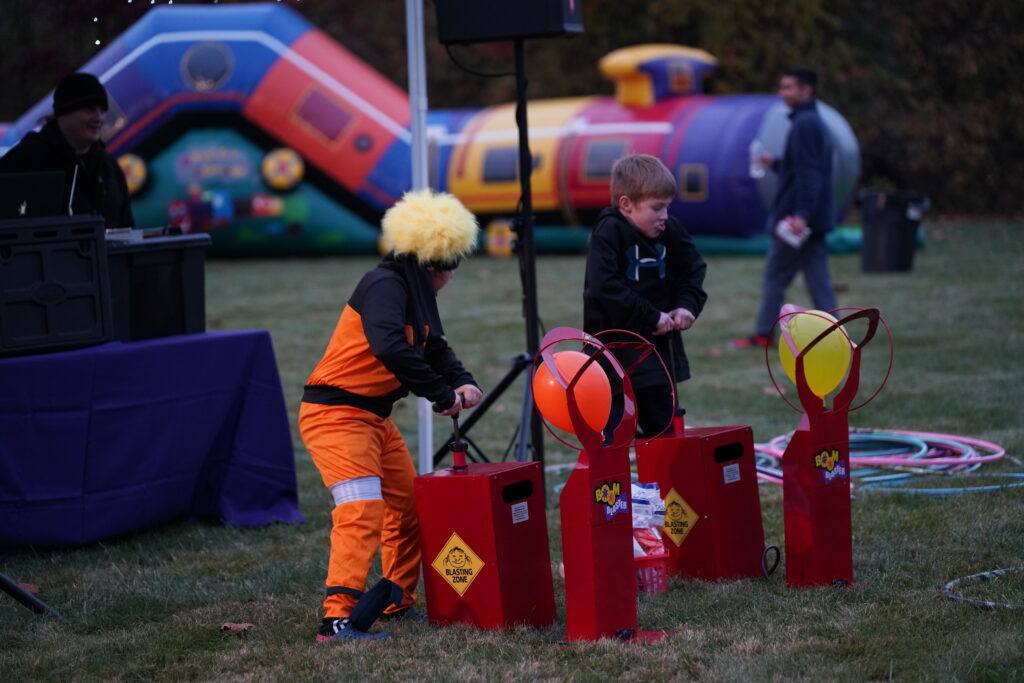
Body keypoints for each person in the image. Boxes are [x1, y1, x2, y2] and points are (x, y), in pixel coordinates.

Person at [299, 189, 483, 642]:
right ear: (433, 263)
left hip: (374, 419)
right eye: (449, 271)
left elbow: (433, 344)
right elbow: (390, 346)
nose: (447, 281)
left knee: (408, 508)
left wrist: (461, 379)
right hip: (335, 416)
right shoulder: (385, 285)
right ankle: (338, 618)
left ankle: (395, 603)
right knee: (362, 510)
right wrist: (440, 394)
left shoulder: (416, 289)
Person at [583, 154, 708, 438]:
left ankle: (666, 482)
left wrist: (685, 306)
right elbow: (605, 287)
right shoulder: (608, 232)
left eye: (667, 207)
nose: (664, 215)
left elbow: (693, 269)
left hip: (657, 353)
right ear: (626, 205)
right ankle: (613, 483)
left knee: (663, 427)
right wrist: (651, 316)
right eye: (657, 207)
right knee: (611, 434)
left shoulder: (670, 230)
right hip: (613, 353)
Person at [734, 67, 836, 349]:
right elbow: (800, 167)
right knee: (818, 279)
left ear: (807, 90)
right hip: (811, 219)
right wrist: (774, 162)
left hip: (796, 220)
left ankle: (763, 336)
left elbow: (810, 174)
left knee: (775, 277)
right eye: (781, 87)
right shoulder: (810, 121)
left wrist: (801, 215)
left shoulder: (805, 124)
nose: (782, 93)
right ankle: (837, 332)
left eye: (788, 87)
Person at [0, 72, 133, 228]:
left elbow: (127, 226)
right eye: (90, 110)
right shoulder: (27, 159)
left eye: (102, 110)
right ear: (64, 112)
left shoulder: (109, 167)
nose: (99, 118)